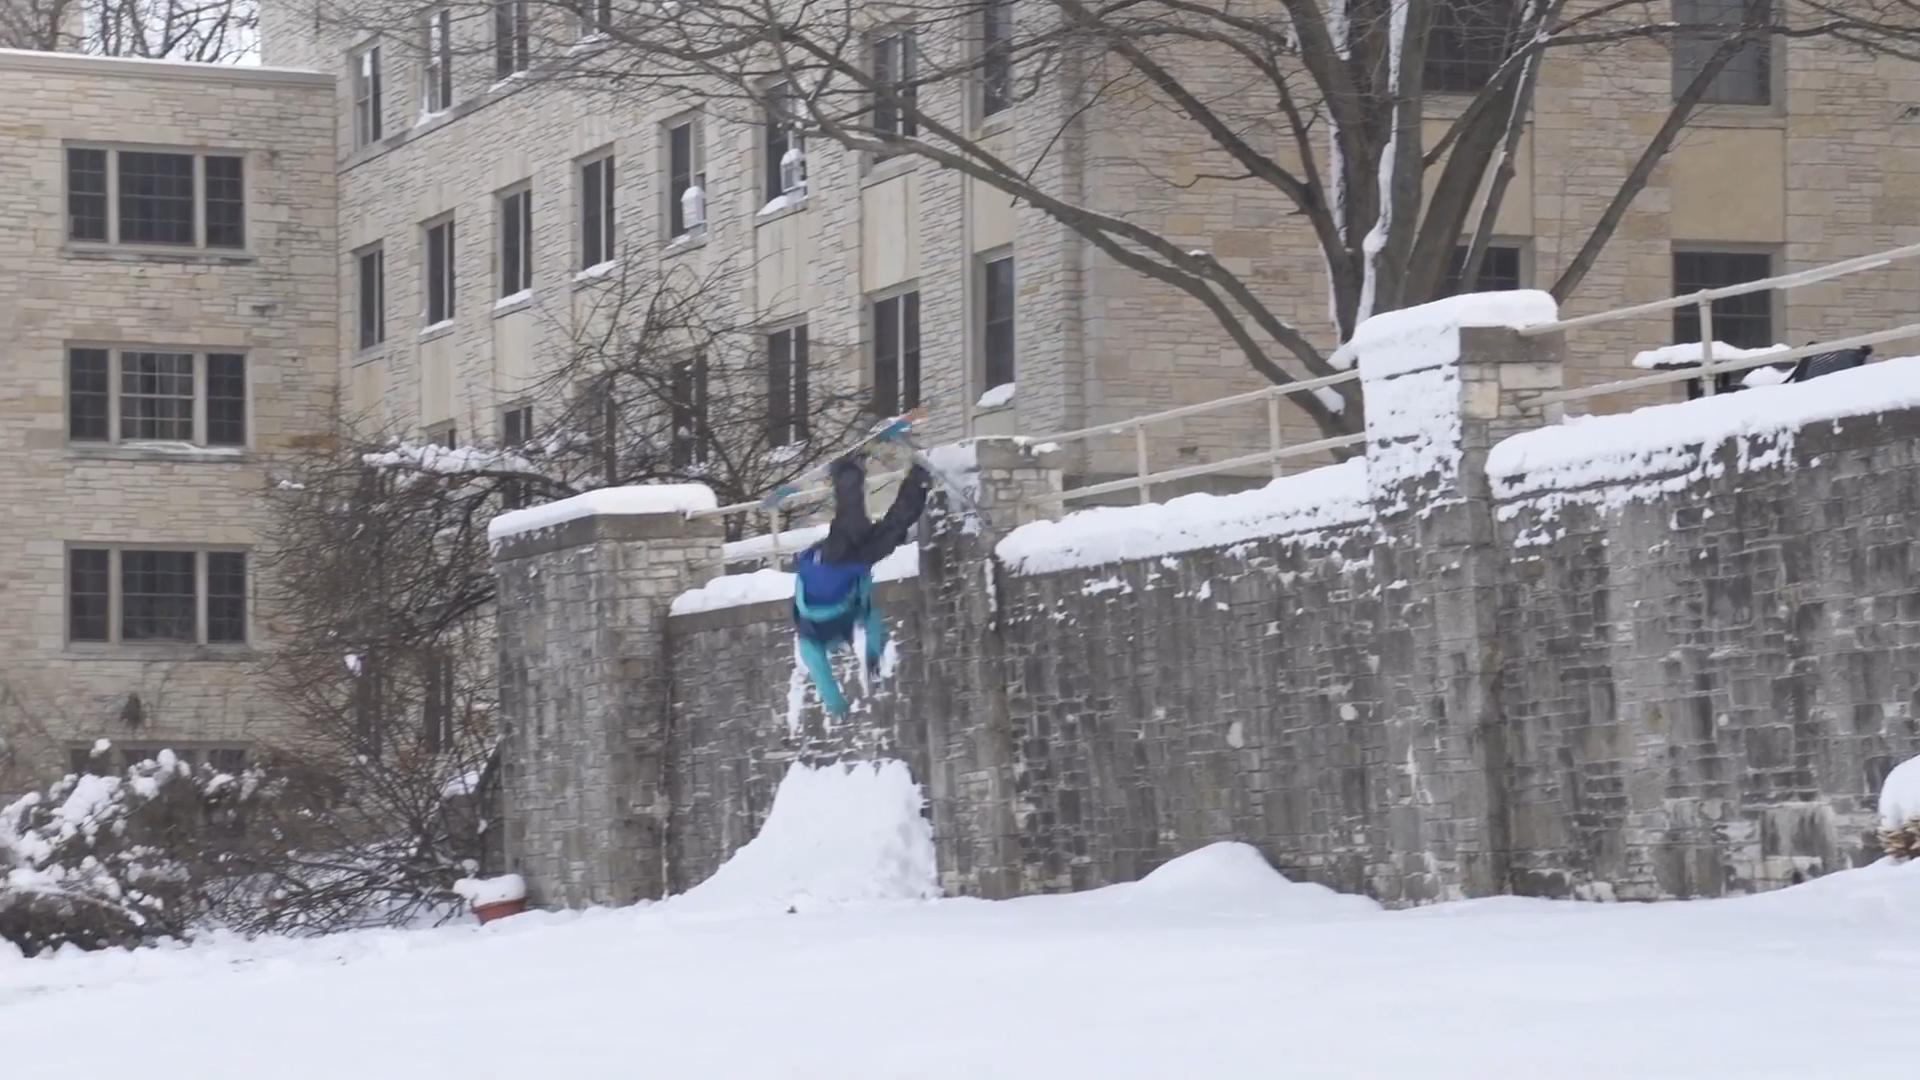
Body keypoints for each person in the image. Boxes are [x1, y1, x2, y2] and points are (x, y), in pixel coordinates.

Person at [792, 448, 931, 717]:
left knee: (852, 523)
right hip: (854, 564)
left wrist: (837, 704)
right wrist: (873, 659)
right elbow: (874, 626)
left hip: (828, 563)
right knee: (892, 531)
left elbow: (822, 676)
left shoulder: (810, 636)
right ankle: (918, 481)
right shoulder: (855, 616)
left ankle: (846, 470)